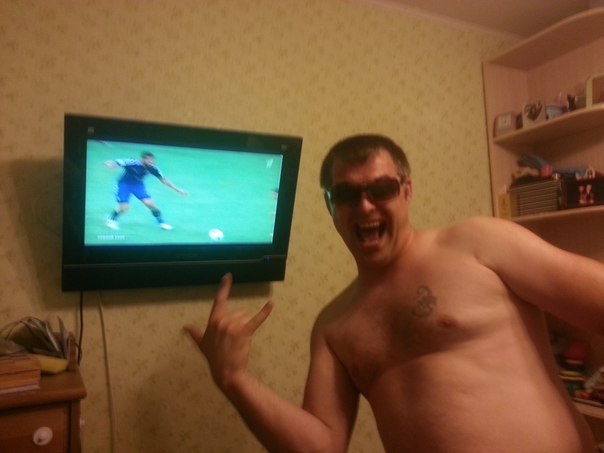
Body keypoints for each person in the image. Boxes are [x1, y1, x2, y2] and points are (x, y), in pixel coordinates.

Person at [184, 134, 604, 452]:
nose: (365, 206)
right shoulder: (334, 326)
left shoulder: (479, 243)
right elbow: (322, 446)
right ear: (330, 207)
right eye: (346, 195)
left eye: (380, 189)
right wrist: (233, 378)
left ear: (406, 192)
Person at [104, 151, 187, 230]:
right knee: (124, 207)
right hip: (124, 185)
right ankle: (111, 220)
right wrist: (110, 164)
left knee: (150, 204)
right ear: (142, 159)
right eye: (148, 160)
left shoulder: (153, 168)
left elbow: (163, 180)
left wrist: (177, 190)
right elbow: (116, 162)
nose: (151, 162)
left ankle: (161, 223)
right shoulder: (132, 163)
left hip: (138, 186)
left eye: (152, 160)